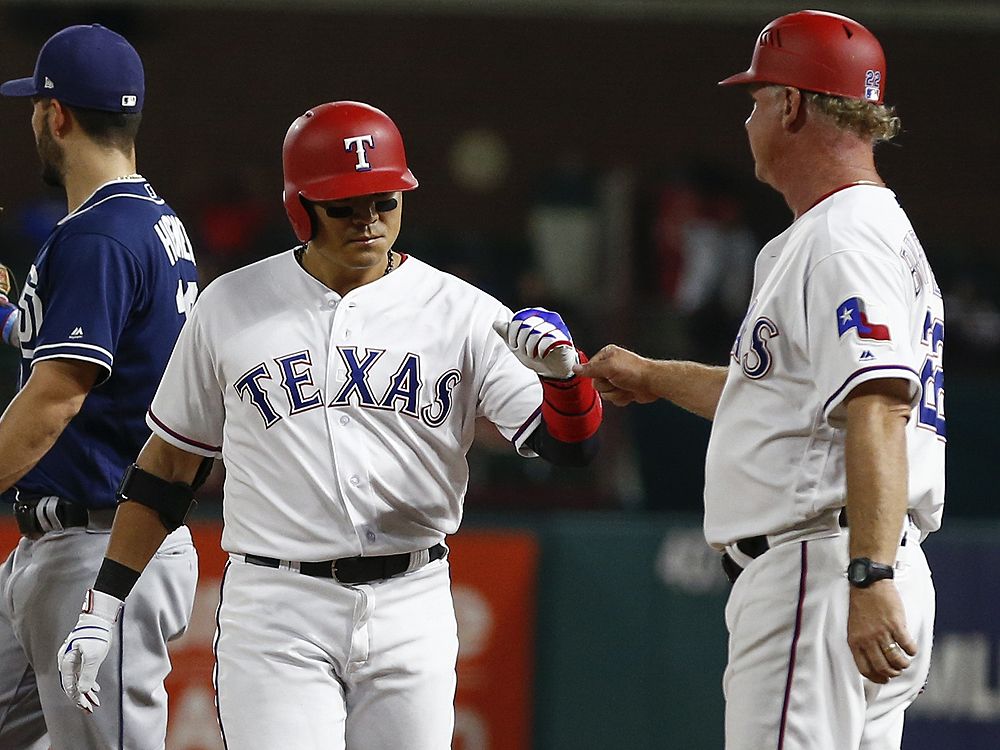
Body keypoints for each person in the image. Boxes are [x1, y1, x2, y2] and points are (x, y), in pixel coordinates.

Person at [56, 100, 602, 749]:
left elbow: (571, 448)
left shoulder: (461, 311)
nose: (370, 219)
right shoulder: (231, 304)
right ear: (302, 207)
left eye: (384, 199)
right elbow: (168, 468)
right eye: (346, 204)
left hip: (413, 602)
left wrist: (567, 383)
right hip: (277, 609)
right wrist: (104, 603)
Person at [577, 10, 942, 750]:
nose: (749, 119)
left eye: (756, 100)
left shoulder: (844, 237)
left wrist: (866, 576)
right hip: (857, 557)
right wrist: (653, 375)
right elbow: (790, 403)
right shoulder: (858, 233)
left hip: (826, 566)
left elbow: (877, 406)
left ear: (794, 105)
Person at [0, 24, 200, 750]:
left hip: (100, 547)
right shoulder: (149, 221)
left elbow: (55, 402)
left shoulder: (99, 236)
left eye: (34, 107)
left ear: (56, 115)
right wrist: (15, 317)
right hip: (65, 541)